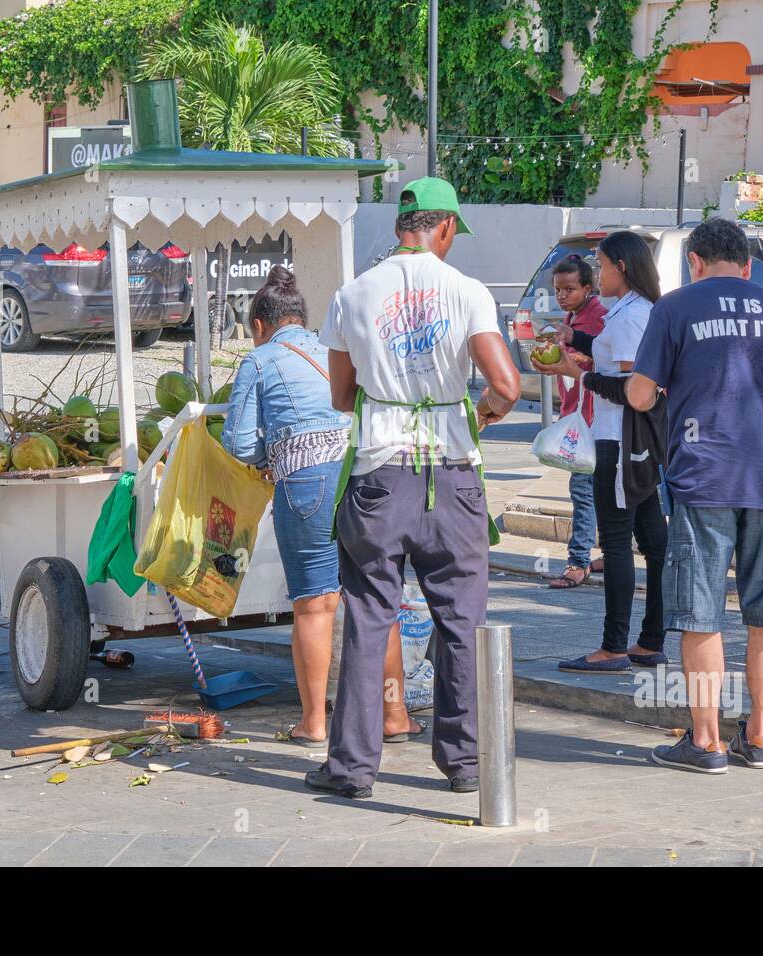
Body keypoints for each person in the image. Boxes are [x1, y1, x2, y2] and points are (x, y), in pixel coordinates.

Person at [305, 176, 520, 799]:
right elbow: (506, 384)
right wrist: (474, 415)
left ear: (402, 226)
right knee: (462, 621)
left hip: (380, 475)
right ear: (445, 227)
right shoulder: (468, 291)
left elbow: (342, 396)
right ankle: (465, 763)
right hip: (451, 477)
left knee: (369, 618)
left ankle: (351, 769)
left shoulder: (352, 294)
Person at [623, 217, 763, 774]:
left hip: (703, 477)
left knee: (700, 611)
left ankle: (706, 741)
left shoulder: (676, 307)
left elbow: (639, 394)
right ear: (749, 266)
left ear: (696, 262)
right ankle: (760, 737)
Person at [221, 265, 422, 747]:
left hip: (307, 484)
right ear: (302, 317)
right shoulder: (334, 347)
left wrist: (271, 456)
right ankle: (395, 716)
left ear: (258, 326)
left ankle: (313, 724)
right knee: (378, 600)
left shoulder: (260, 360)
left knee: (315, 605)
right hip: (365, 474)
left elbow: (238, 440)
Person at [531, 231, 669, 670]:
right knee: (652, 541)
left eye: (603, 266)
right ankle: (648, 640)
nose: (599, 274)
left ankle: (614, 646)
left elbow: (633, 388)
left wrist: (576, 371)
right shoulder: (631, 310)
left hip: (621, 439)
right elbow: (613, 358)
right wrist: (575, 338)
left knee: (615, 543)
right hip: (631, 442)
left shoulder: (631, 315)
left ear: (622, 268)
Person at [547, 254, 607, 589]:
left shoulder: (597, 316)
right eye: (558, 290)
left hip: (594, 417)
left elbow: (601, 362)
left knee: (583, 490)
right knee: (596, 491)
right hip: (578, 415)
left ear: (588, 287)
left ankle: (578, 561)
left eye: (569, 289)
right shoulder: (573, 316)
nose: (562, 295)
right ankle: (609, 554)